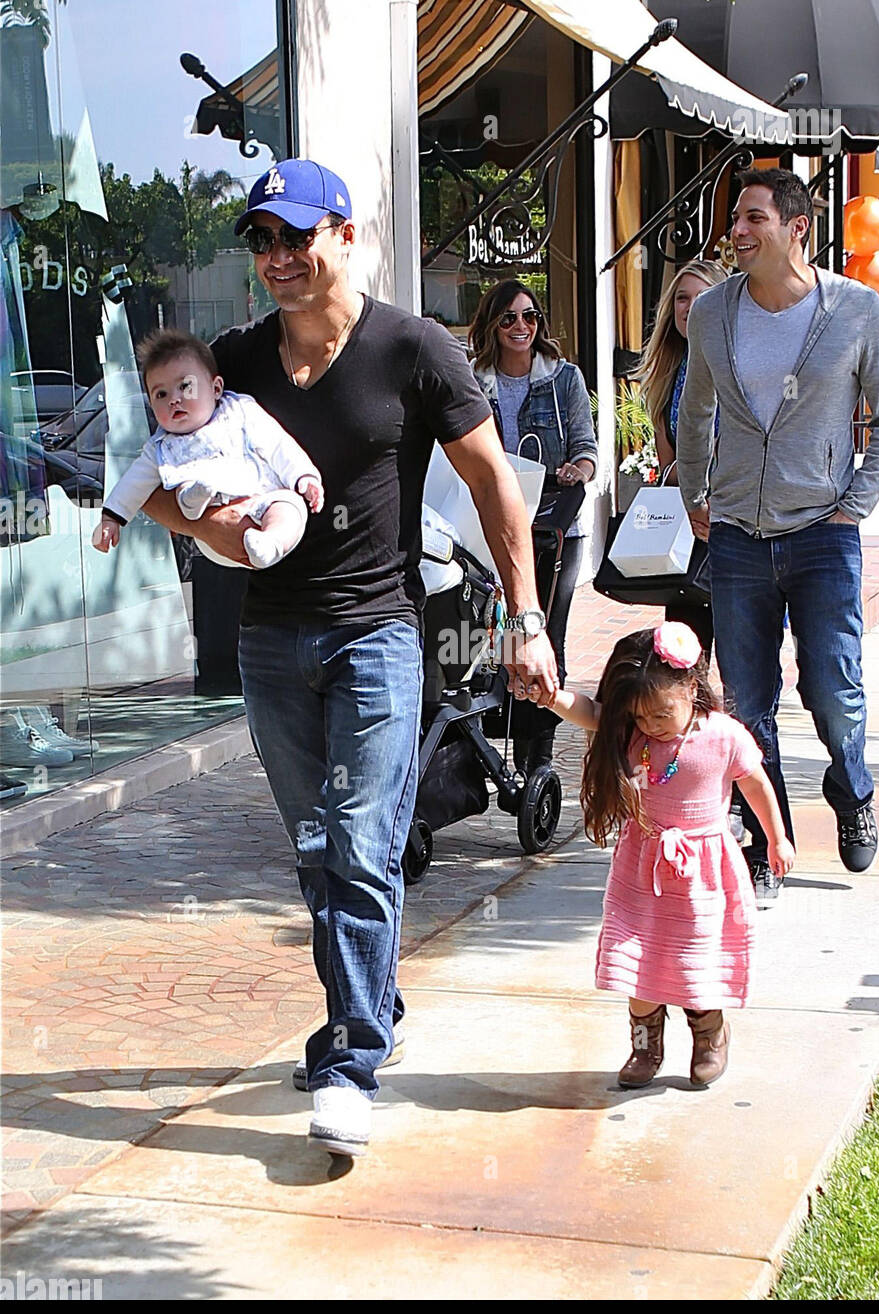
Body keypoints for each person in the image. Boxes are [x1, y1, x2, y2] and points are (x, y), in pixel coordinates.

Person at [139, 159, 557, 1158]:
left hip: (378, 634)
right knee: (320, 849)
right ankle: (370, 997)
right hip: (270, 643)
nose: (278, 258)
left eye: (296, 235)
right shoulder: (232, 359)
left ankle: (349, 1060)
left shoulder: (414, 349)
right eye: (262, 241)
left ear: (346, 233)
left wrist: (527, 617)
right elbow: (155, 471)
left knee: (363, 844)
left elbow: (497, 484)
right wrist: (215, 532)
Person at [676, 167, 879, 905]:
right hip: (740, 533)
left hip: (822, 534)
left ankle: (853, 787)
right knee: (747, 700)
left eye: (753, 219)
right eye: (735, 220)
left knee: (833, 690)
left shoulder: (856, 311)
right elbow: (695, 412)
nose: (737, 232)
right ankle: (764, 841)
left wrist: (856, 503)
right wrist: (694, 493)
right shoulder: (713, 312)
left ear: (796, 227)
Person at [547, 621, 794, 1087]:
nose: (648, 726)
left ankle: (709, 1033)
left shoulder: (724, 735)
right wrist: (553, 696)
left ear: (692, 688)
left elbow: (756, 785)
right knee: (634, 959)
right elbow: (592, 712)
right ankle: (645, 1043)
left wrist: (776, 838)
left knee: (693, 963)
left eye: (659, 715)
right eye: (639, 718)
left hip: (702, 871)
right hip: (642, 866)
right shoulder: (636, 735)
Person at [469, 279, 598, 773]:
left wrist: (576, 471)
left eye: (530, 316)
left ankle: (535, 755)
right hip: (492, 526)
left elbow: (586, 447)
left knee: (544, 632)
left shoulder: (562, 378)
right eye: (508, 319)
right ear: (492, 327)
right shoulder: (475, 379)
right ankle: (490, 744)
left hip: (557, 529)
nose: (521, 327)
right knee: (489, 639)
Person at [92, 329, 323, 567]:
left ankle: (269, 543)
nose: (174, 399)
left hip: (261, 500)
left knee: (291, 507)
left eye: (185, 386)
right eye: (161, 394)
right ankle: (194, 498)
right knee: (189, 493)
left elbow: (277, 444)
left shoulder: (239, 411)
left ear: (216, 388)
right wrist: (111, 517)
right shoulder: (160, 447)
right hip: (211, 528)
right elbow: (133, 484)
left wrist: (303, 477)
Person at [635, 259, 728, 656]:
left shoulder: (738, 364)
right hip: (687, 533)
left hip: (736, 529)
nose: (690, 307)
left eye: (702, 297)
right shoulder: (668, 373)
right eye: (682, 298)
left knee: (742, 661)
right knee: (683, 656)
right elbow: (669, 464)